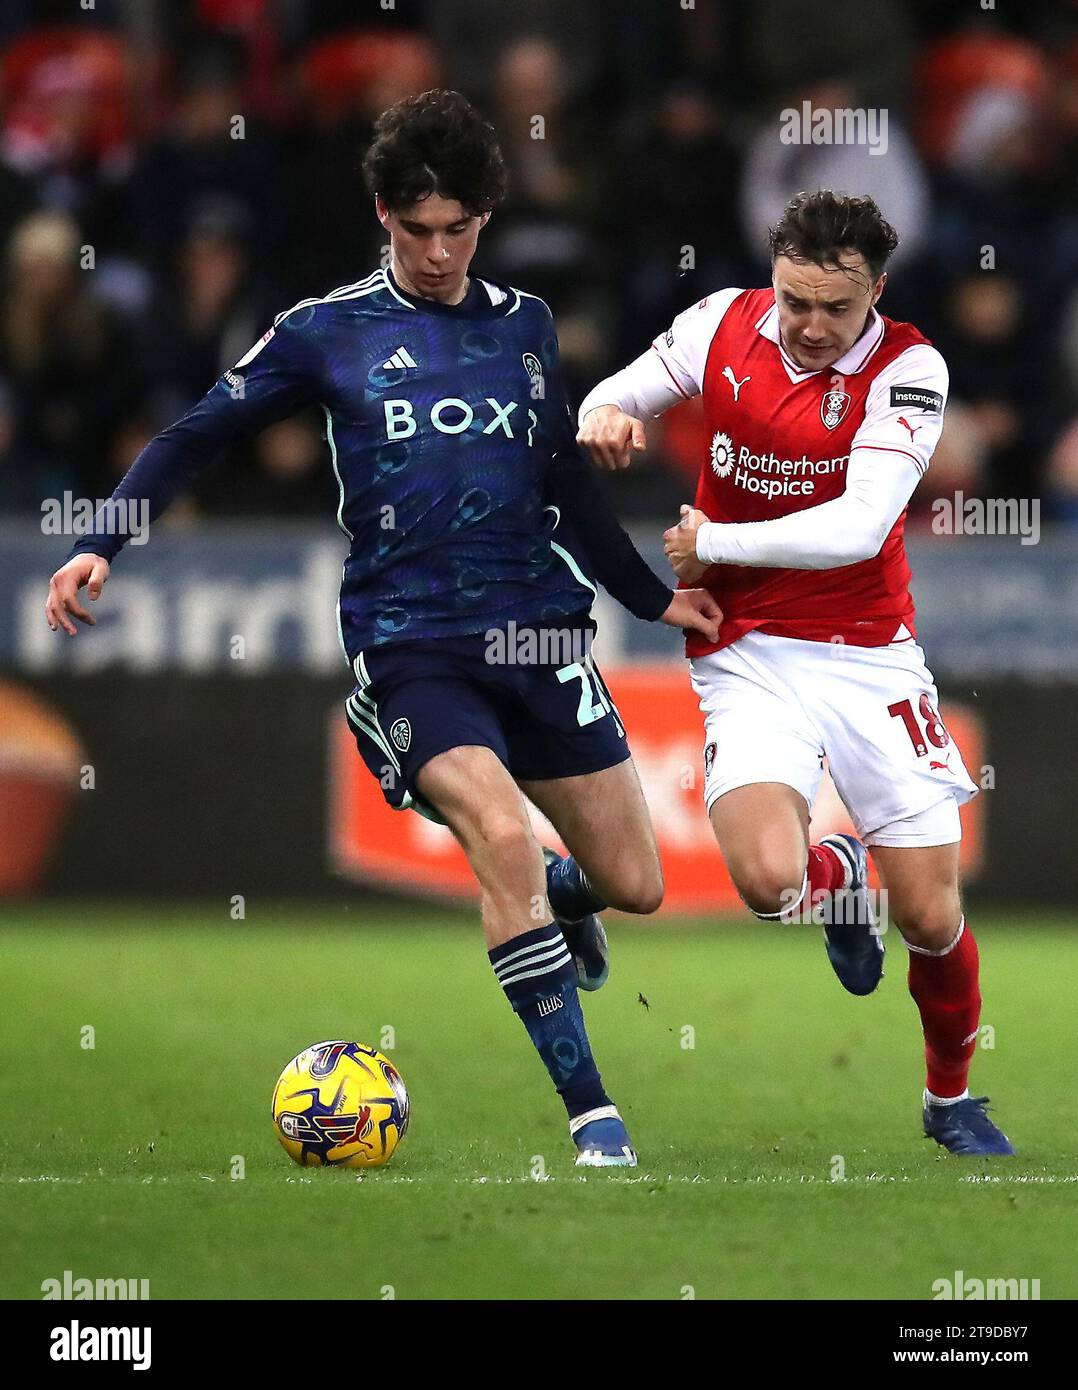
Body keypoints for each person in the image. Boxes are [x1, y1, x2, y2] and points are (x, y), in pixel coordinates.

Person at [44, 90, 720, 1169]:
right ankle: (594, 1116)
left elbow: (560, 481)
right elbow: (196, 432)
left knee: (635, 882)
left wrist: (648, 597)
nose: (439, 251)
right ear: (382, 214)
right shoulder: (325, 331)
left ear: (486, 219)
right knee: (498, 836)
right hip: (413, 641)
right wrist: (101, 541)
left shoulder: (527, 327)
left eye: (459, 228)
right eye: (418, 229)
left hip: (540, 633)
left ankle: (557, 894)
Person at [576, 189, 1013, 1157]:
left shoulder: (910, 369)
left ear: (877, 292)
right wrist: (604, 414)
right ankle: (836, 876)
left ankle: (950, 1099)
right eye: (794, 302)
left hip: (869, 653)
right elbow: (611, 392)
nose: (811, 327)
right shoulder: (720, 324)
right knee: (770, 882)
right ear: (770, 276)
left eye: (836, 308)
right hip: (746, 648)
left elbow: (860, 522)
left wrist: (716, 536)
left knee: (932, 913)